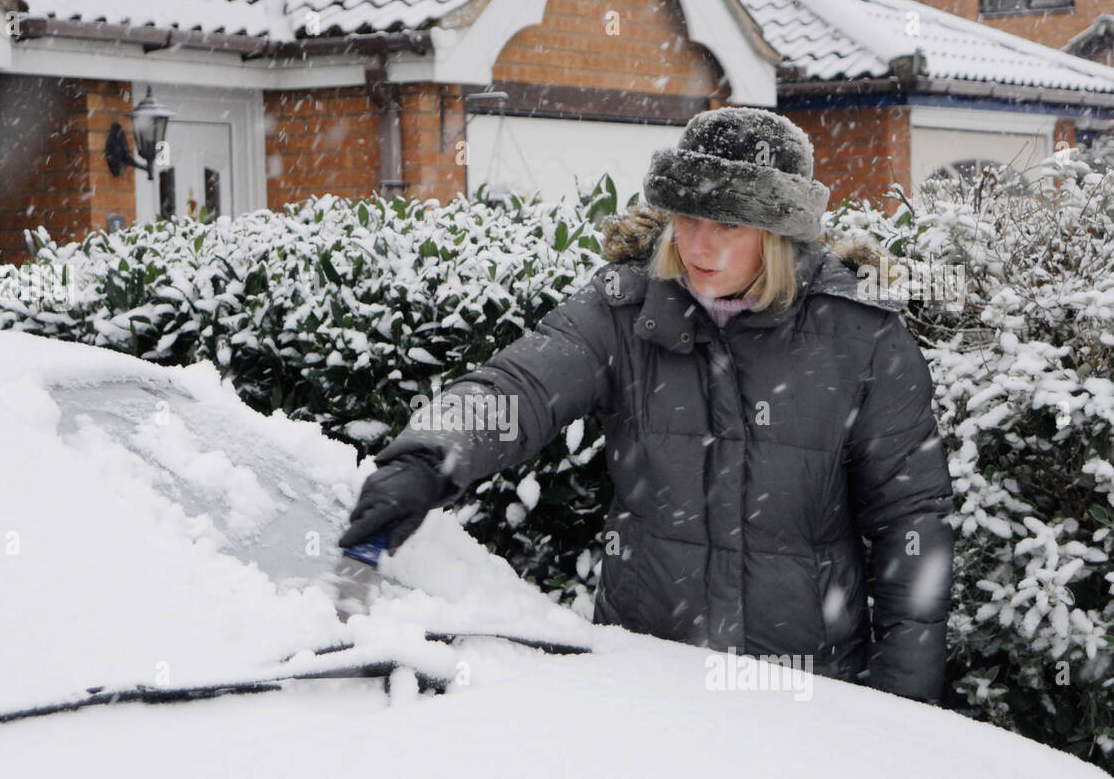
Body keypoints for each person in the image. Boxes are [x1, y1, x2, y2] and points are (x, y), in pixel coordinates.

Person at [337, 106, 955, 705]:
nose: (697, 245)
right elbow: (518, 387)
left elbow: (911, 522)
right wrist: (425, 460)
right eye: (686, 219)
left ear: (778, 234)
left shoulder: (860, 337)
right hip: (649, 676)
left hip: (805, 686)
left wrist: (904, 700)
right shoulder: (626, 309)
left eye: (727, 225)